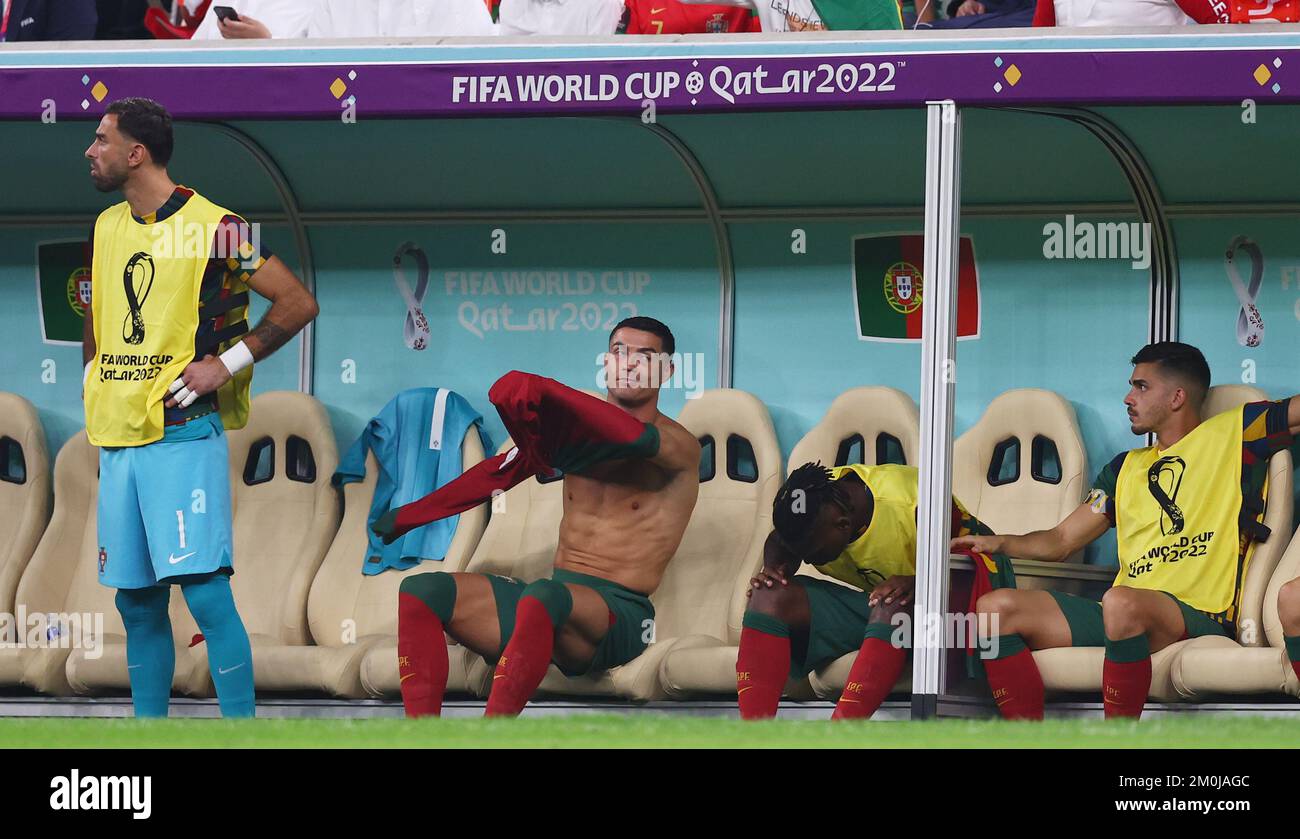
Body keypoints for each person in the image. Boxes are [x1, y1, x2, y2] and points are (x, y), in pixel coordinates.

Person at [82, 97, 319, 717]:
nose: (90, 150)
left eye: (101, 139)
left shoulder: (219, 226)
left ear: (136, 153)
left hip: (182, 435)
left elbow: (296, 302)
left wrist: (225, 365)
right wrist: (92, 376)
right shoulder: (107, 225)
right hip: (118, 440)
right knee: (135, 602)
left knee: (207, 596)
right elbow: (98, 314)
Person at [953, 342, 1297, 719]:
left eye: (1141, 386)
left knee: (1121, 603)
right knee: (993, 610)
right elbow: (1062, 540)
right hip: (1122, 615)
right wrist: (997, 542)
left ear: (1178, 397)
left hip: (1199, 612)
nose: (1128, 397)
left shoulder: (1238, 431)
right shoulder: (1122, 470)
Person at [393, 317, 702, 717]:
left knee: (544, 596)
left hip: (618, 618)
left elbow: (633, 437)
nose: (628, 364)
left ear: (669, 371)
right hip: (551, 608)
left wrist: (544, 391)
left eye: (645, 357)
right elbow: (497, 473)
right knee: (421, 593)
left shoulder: (680, 446)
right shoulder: (572, 437)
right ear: (605, 361)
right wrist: (410, 516)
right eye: (619, 353)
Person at [738, 460, 994, 719]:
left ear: (842, 524)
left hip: (958, 618)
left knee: (892, 601)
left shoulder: (919, 502)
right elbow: (780, 540)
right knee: (769, 593)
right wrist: (773, 569)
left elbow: (979, 565)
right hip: (887, 618)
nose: (806, 561)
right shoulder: (818, 493)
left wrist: (920, 581)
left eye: (813, 553)